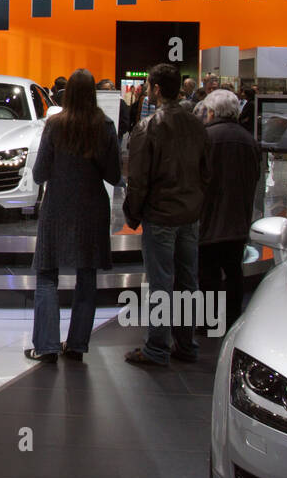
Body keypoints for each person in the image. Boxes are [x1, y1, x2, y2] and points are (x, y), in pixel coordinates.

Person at [27, 69, 121, 363]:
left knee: (46, 275)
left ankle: (46, 346)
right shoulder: (104, 125)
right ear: (94, 93)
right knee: (87, 276)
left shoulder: (55, 125)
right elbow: (115, 175)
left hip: (57, 207)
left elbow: (40, 172)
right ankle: (77, 345)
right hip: (93, 208)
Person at [123, 62, 210, 367]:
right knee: (188, 281)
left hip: (161, 216)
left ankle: (157, 348)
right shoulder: (197, 124)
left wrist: (132, 215)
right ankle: (186, 344)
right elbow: (205, 172)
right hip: (189, 215)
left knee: (161, 283)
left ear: (156, 90)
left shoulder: (148, 128)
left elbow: (138, 180)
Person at [197, 89, 259, 334]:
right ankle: (233, 320)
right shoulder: (249, 140)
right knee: (234, 271)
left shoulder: (205, 138)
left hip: (208, 218)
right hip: (238, 219)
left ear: (211, 112)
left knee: (208, 272)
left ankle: (208, 321)